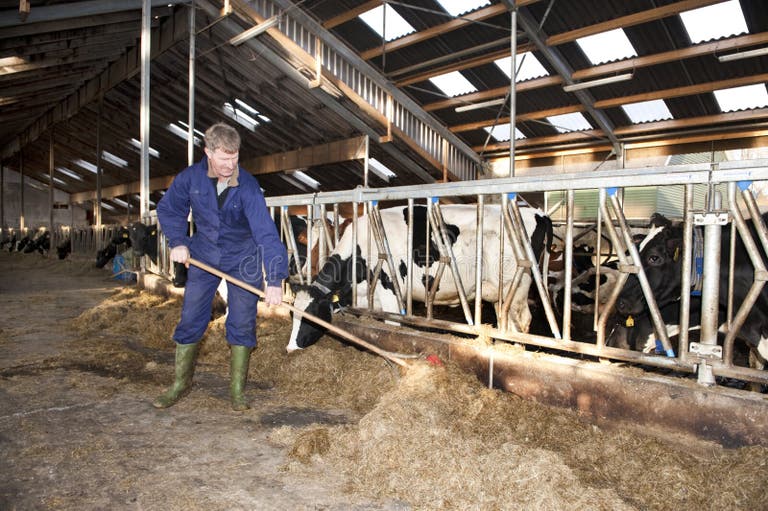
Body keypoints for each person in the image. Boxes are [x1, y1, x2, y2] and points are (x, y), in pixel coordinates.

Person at [153, 122, 288, 411]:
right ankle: (180, 383)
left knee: (241, 321)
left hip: (243, 259)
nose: (230, 165)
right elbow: (169, 208)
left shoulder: (248, 186)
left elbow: (266, 232)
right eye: (224, 159)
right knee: (191, 317)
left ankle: (237, 391)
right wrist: (178, 241)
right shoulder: (191, 178)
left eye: (235, 158)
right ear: (209, 152)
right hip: (203, 256)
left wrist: (275, 278)